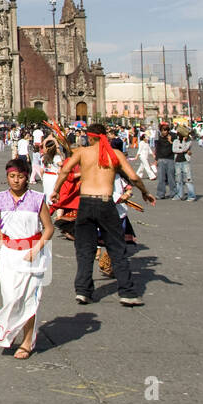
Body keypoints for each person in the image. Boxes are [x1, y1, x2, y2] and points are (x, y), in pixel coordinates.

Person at [50, 123, 154, 306]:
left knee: (84, 249)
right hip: (106, 203)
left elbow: (65, 170)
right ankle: (127, 293)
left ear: (90, 137)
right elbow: (134, 177)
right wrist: (145, 192)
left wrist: (56, 190)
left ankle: (83, 291)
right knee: (116, 249)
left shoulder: (82, 152)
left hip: (86, 202)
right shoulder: (115, 154)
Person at [0, 157, 54, 358]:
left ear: (27, 178)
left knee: (28, 300)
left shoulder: (37, 198)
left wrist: (37, 248)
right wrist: (2, 241)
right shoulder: (0, 198)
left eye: (20, 177)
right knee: (10, 297)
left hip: (32, 253)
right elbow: (2, 223)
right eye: (12, 176)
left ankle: (27, 341)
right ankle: (12, 329)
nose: (16, 180)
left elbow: (49, 228)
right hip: (9, 255)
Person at [172, 126, 196, 201]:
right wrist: (182, 150)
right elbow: (174, 150)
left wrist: (183, 143)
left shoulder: (188, 141)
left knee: (188, 179)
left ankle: (191, 196)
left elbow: (184, 148)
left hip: (185, 161)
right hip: (177, 161)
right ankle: (179, 194)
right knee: (178, 179)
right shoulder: (175, 141)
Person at [153, 123, 175, 198]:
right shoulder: (159, 138)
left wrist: (170, 141)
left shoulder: (173, 136)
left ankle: (173, 193)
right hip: (161, 159)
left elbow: (176, 147)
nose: (164, 132)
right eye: (163, 130)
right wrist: (156, 160)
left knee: (171, 177)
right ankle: (160, 193)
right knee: (161, 178)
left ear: (168, 130)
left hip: (170, 159)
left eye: (166, 130)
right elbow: (157, 149)